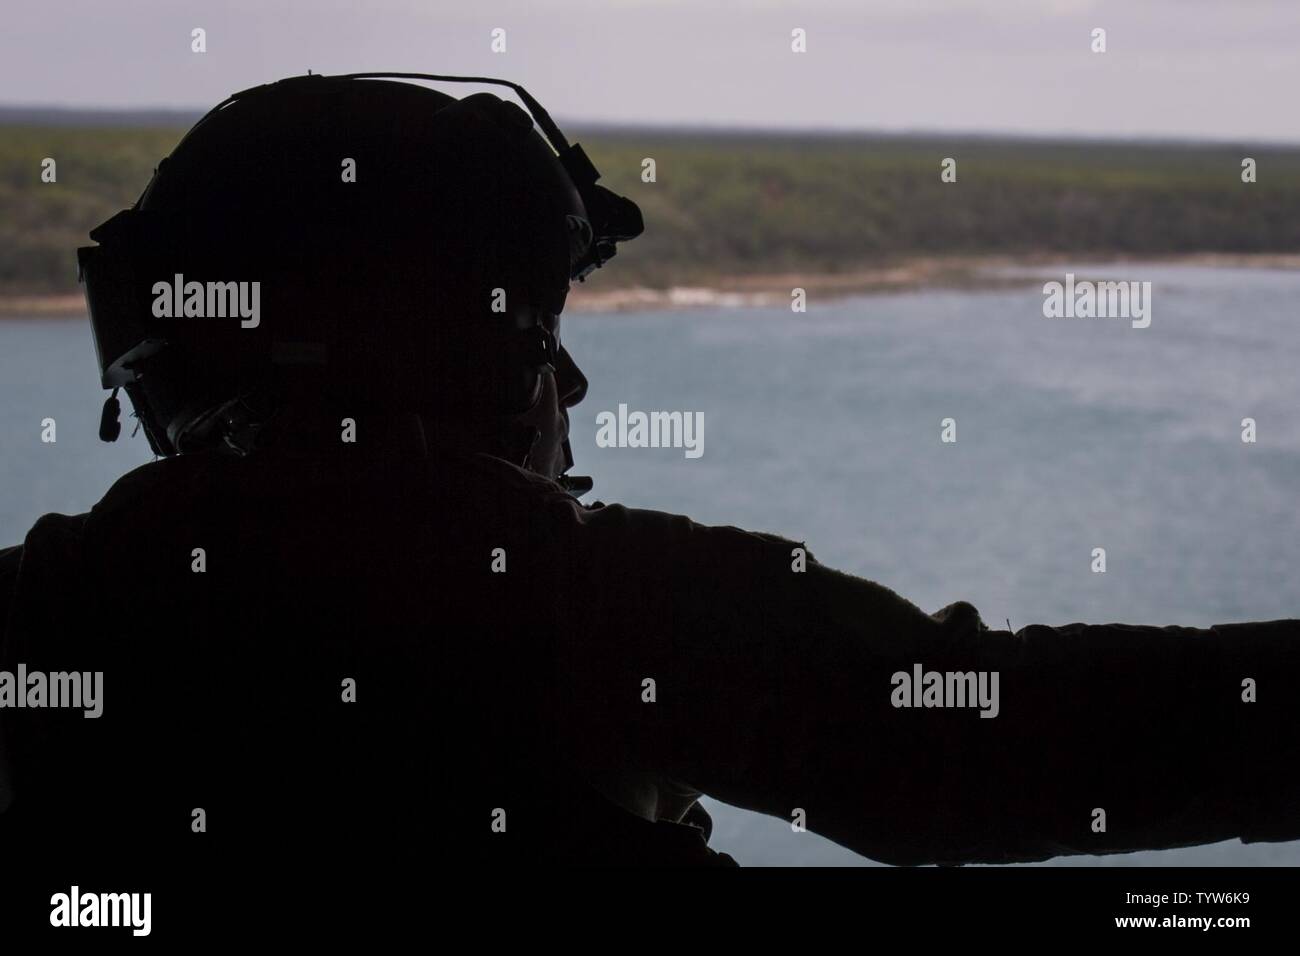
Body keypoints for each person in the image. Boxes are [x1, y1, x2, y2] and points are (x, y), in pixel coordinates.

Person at [1, 74, 1297, 872]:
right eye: (538, 341)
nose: (571, 390)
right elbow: (971, 752)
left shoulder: (53, 605)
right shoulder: (575, 599)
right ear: (461, 353)